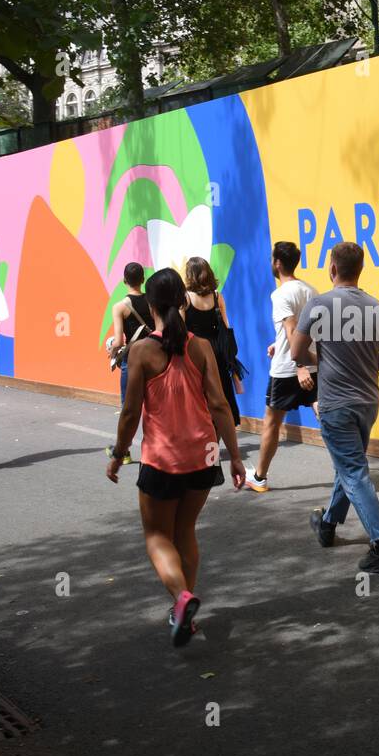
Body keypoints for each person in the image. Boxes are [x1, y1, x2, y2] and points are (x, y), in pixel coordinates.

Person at [106, 267, 245, 648]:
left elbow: (130, 412)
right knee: (185, 532)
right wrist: (235, 457)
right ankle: (182, 610)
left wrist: (118, 455)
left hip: (161, 462)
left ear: (150, 305)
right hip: (203, 458)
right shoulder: (199, 346)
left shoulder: (141, 351)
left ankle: (182, 599)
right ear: (182, 302)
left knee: (156, 536)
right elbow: (219, 405)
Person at [291, 242, 379, 575]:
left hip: (336, 403)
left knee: (353, 471)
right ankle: (327, 525)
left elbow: (296, 352)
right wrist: (365, 366)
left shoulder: (319, 305)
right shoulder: (378, 308)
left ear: (332, 268)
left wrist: (322, 364)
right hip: (369, 402)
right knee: (350, 465)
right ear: (361, 269)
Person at [245, 241, 318, 493]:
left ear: (277, 263)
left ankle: (259, 477)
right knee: (326, 417)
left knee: (271, 423)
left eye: (271, 259)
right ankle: (350, 469)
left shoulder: (280, 294)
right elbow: (301, 331)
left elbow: (291, 329)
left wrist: (298, 365)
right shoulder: (311, 290)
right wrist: (278, 344)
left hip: (289, 369)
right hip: (312, 365)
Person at [183, 256, 242, 424]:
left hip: (194, 351)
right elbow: (226, 326)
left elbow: (180, 330)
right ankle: (219, 432)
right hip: (216, 350)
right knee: (221, 391)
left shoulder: (185, 299)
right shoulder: (217, 296)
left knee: (199, 394)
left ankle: (204, 436)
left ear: (190, 275)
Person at [105, 262, 150, 462]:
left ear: (125, 280)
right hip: (152, 358)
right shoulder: (152, 301)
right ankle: (153, 449)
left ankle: (123, 452)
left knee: (128, 407)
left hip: (131, 361)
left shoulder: (120, 307)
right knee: (153, 405)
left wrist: (112, 350)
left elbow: (119, 340)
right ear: (143, 280)